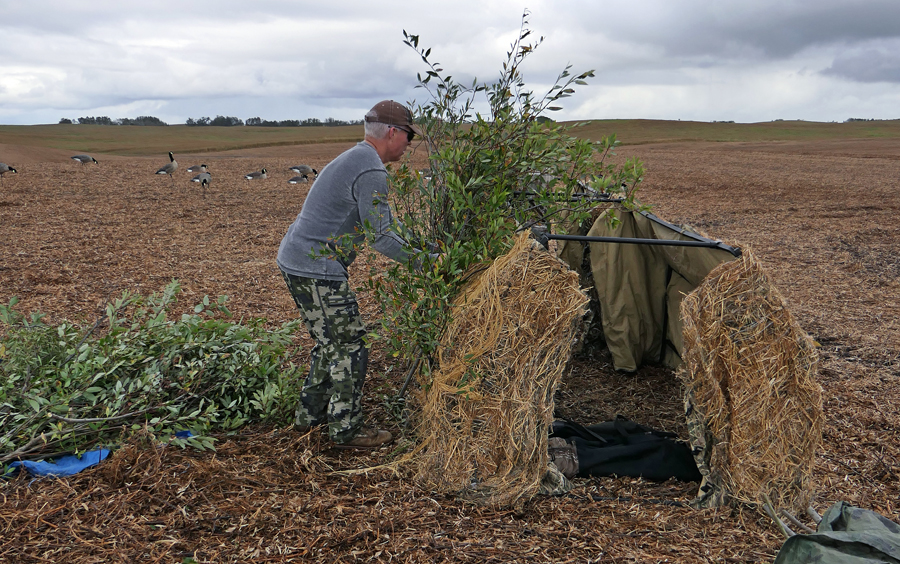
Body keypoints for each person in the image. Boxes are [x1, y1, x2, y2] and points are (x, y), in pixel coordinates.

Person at [277, 100, 423, 449]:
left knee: (330, 343)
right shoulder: (370, 169)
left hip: (298, 259)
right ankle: (346, 430)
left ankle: (309, 417)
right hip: (316, 267)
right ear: (392, 132)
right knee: (350, 346)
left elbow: (386, 224)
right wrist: (430, 265)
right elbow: (382, 238)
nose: (409, 143)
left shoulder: (359, 158)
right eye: (408, 135)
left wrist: (422, 246)